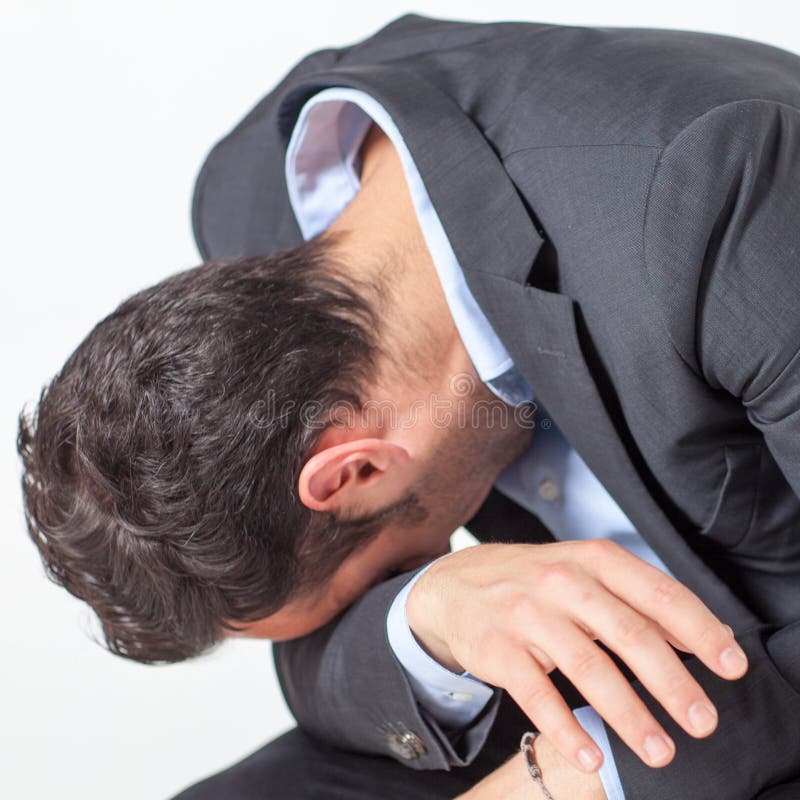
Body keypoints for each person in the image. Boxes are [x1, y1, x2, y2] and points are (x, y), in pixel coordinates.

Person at [17, 13, 800, 799]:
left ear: (354, 467)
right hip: (570, 687)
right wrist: (429, 609)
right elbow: (317, 643)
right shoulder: (253, 207)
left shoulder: (715, 194)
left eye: (386, 577)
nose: (389, 587)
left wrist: (570, 780)